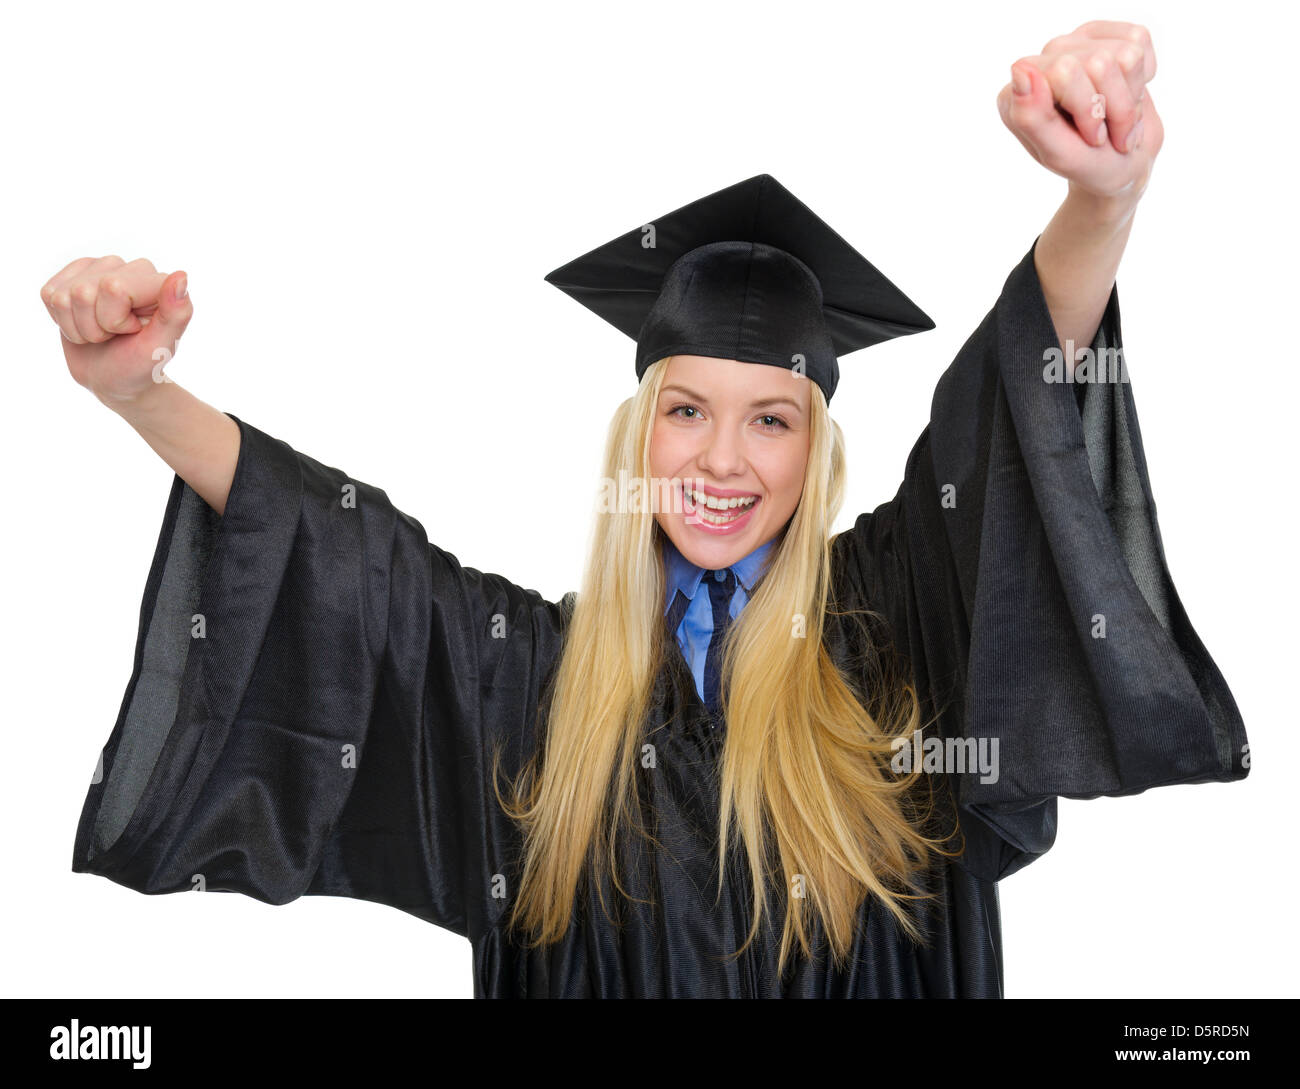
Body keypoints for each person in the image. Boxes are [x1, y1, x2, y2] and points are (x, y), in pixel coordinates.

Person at [47, 21, 1248, 997]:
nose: (721, 459)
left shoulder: (893, 638)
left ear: (814, 448)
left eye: (770, 419)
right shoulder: (532, 681)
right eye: (685, 411)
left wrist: (1105, 196)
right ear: (639, 430)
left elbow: (1010, 413)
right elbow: (344, 554)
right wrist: (140, 390)